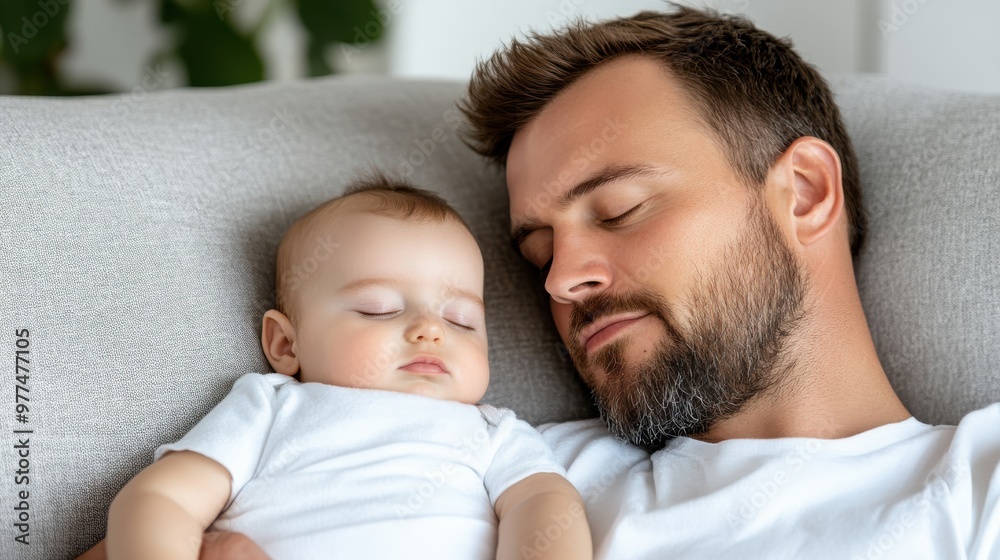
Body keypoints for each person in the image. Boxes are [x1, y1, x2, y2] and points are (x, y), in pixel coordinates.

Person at [87, 6, 1000, 560]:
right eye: (533, 253)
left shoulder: (975, 487)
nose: (564, 281)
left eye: (619, 209)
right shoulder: (474, 464)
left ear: (802, 193)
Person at [93, 176, 592, 560]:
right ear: (286, 344)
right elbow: (162, 499)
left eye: (461, 320)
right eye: (379, 308)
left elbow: (547, 505)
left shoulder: (493, 432)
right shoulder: (270, 407)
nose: (430, 331)